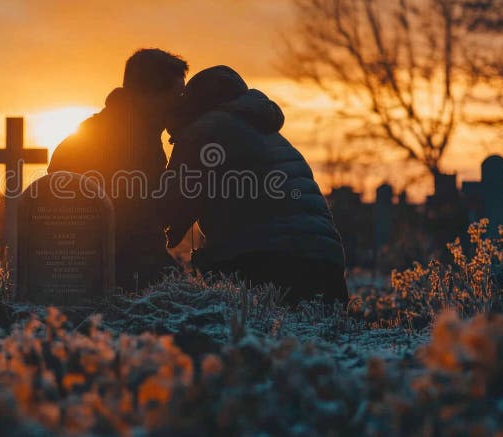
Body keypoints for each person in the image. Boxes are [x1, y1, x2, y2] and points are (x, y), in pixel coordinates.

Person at [162, 65, 348, 305]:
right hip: (328, 263)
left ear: (193, 103)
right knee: (314, 338)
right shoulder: (268, 132)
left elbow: (172, 204)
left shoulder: (203, 130)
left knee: (230, 332)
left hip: (266, 262)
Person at [48, 48, 188, 291]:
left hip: (98, 264)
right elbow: (133, 229)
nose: (179, 105)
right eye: (175, 96)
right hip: (105, 269)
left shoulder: (129, 131)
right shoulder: (126, 141)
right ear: (150, 96)